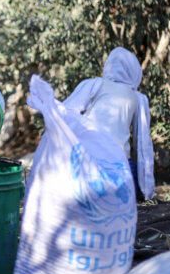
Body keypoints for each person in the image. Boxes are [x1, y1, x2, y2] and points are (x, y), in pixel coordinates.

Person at [63, 47, 154, 201]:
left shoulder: (95, 84)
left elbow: (66, 113)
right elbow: (143, 145)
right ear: (135, 72)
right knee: (131, 191)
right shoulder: (138, 98)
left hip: (87, 160)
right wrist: (147, 191)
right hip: (118, 164)